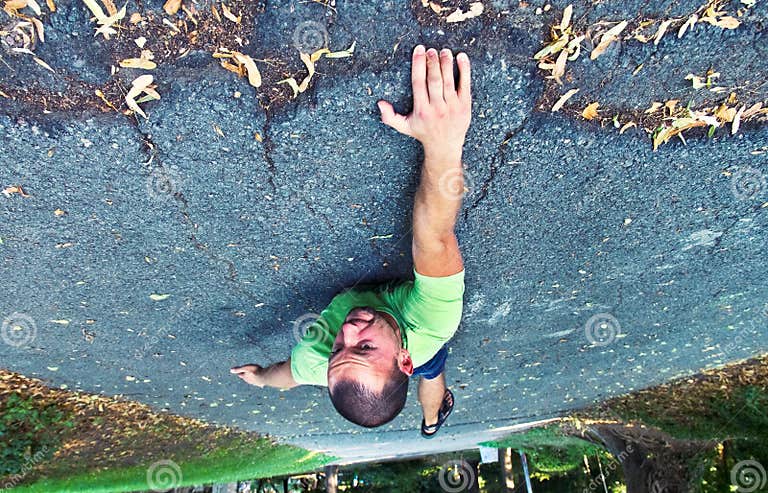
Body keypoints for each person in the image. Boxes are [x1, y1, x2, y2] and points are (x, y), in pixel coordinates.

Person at [231, 45, 472, 437]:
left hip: (399, 345)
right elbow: (434, 238)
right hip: (423, 346)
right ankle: (432, 420)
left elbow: (288, 376)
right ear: (402, 360)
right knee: (434, 370)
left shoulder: (315, 357)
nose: (345, 333)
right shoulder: (431, 326)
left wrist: (260, 379)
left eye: (339, 350)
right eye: (363, 348)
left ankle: (427, 420)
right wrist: (444, 143)